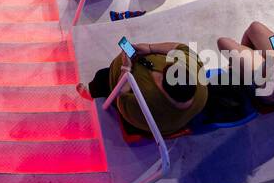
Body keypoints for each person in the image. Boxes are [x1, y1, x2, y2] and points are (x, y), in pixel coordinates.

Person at [77, 41, 208, 138]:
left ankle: (91, 93)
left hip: (117, 87)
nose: (160, 72)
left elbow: (121, 99)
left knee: (101, 77)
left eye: (161, 77)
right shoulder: (195, 74)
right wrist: (150, 48)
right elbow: (180, 48)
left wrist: (126, 69)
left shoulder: (148, 105)